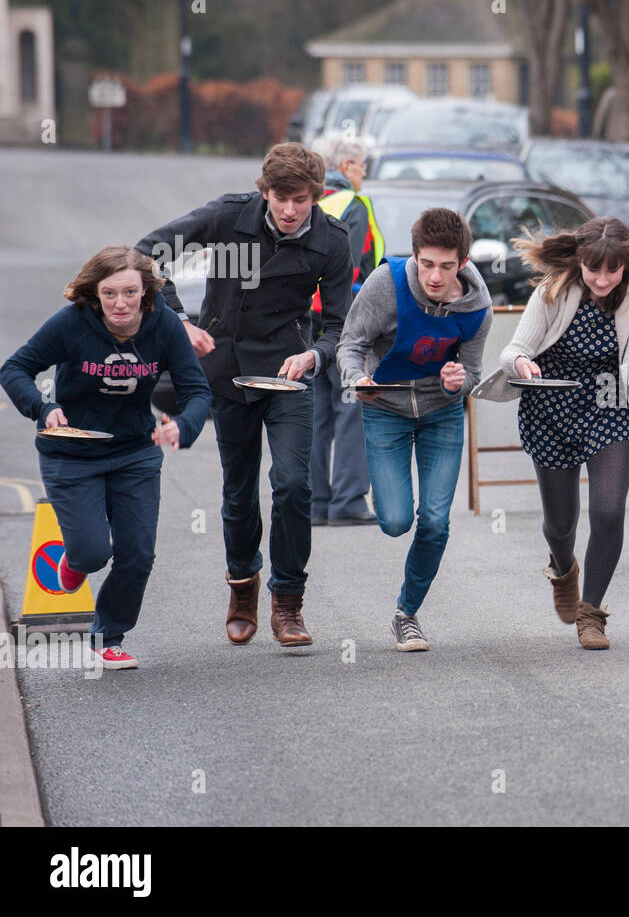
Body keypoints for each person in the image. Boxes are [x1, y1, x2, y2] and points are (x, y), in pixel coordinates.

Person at [135, 142, 353, 649]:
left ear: (316, 196)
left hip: (288, 369)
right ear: (265, 190)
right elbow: (147, 251)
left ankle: (288, 602)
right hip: (226, 368)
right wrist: (178, 321)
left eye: (300, 198)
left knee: (295, 484)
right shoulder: (229, 216)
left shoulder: (333, 240)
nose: (289, 209)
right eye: (280, 197)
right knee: (237, 490)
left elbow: (340, 325)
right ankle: (242, 586)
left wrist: (314, 357)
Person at [0, 247, 211, 669]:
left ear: (146, 293)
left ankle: (107, 635)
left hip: (134, 452)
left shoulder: (164, 326)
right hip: (71, 453)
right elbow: (14, 369)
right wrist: (43, 409)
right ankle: (77, 561)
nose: (120, 303)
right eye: (110, 293)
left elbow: (198, 391)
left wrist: (182, 427)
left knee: (137, 554)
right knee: (94, 552)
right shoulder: (73, 324)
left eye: (130, 292)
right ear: (96, 294)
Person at [474, 217, 629, 650]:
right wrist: (521, 365)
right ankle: (563, 569)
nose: (601, 279)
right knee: (560, 525)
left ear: (624, 265)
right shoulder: (552, 292)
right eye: (592, 269)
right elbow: (514, 350)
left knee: (609, 511)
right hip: (550, 408)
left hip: (609, 407)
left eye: (610, 270)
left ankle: (591, 613)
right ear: (580, 262)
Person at [337, 208, 492, 652]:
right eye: (426, 264)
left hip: (442, 413)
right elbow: (351, 344)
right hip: (384, 407)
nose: (435, 276)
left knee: (436, 521)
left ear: (462, 262)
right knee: (395, 521)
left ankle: (406, 614)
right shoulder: (386, 284)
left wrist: (459, 380)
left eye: (446, 266)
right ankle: (387, 494)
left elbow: (475, 373)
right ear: (414, 256)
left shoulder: (477, 307)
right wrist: (356, 378)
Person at [309, 133, 384, 526]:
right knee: (354, 406)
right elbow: (350, 269)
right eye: (360, 165)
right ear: (344, 167)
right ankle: (349, 500)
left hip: (307, 323)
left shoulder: (309, 201)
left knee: (318, 411)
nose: (364, 172)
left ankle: (317, 503)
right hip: (344, 321)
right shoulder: (351, 204)